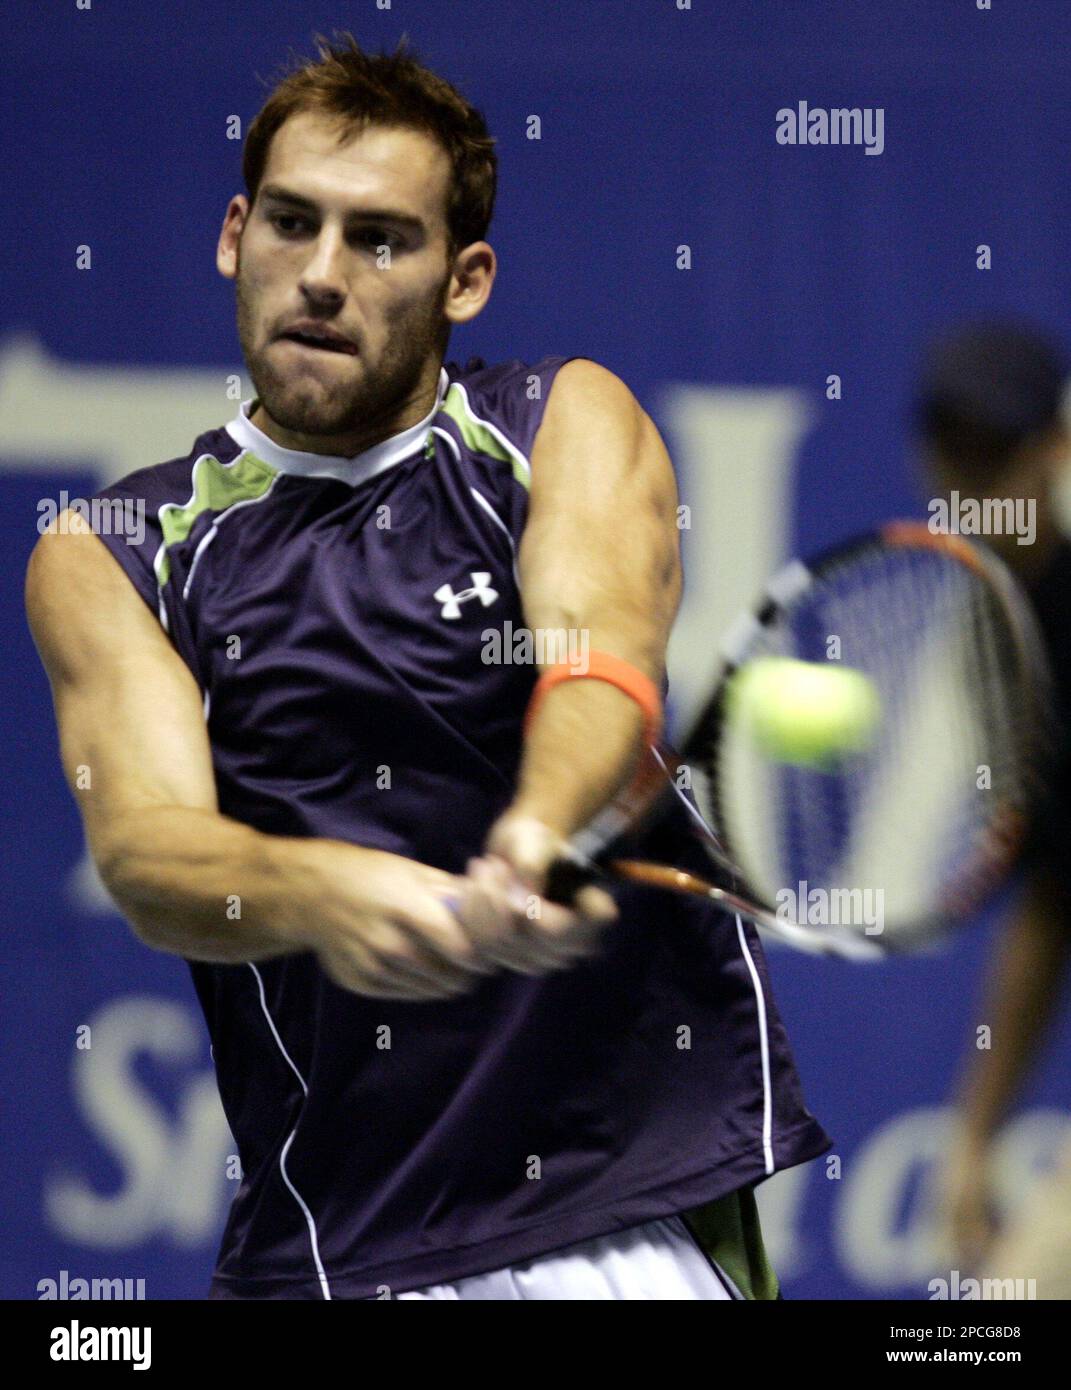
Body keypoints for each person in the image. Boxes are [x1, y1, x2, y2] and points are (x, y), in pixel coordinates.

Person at [26, 32, 828, 1300]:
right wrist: (326, 892)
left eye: (382, 239)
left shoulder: (559, 422)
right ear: (235, 235)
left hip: (606, 1215)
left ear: (465, 281)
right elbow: (149, 854)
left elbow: (600, 673)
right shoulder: (116, 549)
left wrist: (532, 832)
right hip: (330, 1242)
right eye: (293, 223)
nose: (324, 276)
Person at [918, 320, 1071, 1298]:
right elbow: (1056, 898)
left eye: (997, 456)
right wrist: (975, 1138)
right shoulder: (999, 634)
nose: (974, 488)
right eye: (955, 456)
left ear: (1053, 450)